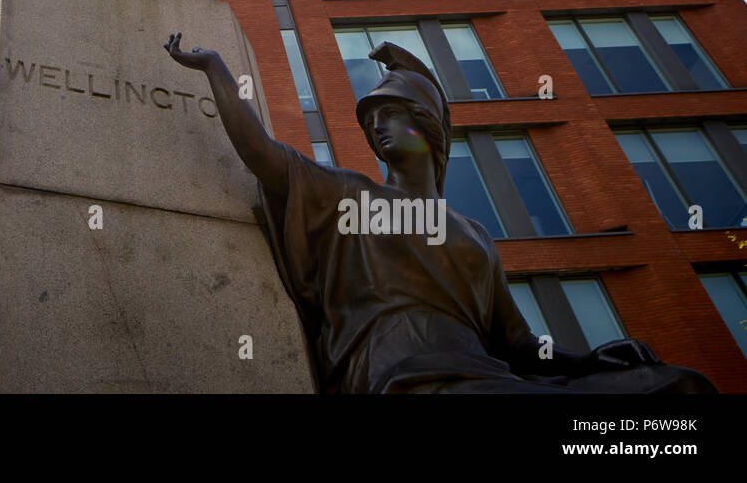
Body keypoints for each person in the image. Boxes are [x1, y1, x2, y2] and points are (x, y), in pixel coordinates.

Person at [164, 32, 716, 393]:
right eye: (370, 119)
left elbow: (519, 345)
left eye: (390, 114)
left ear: (426, 126)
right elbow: (263, 154)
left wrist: (590, 360)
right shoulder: (351, 195)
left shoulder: (473, 234)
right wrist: (214, 67)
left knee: (677, 391)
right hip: (402, 375)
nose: (375, 127)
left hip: (488, 374)